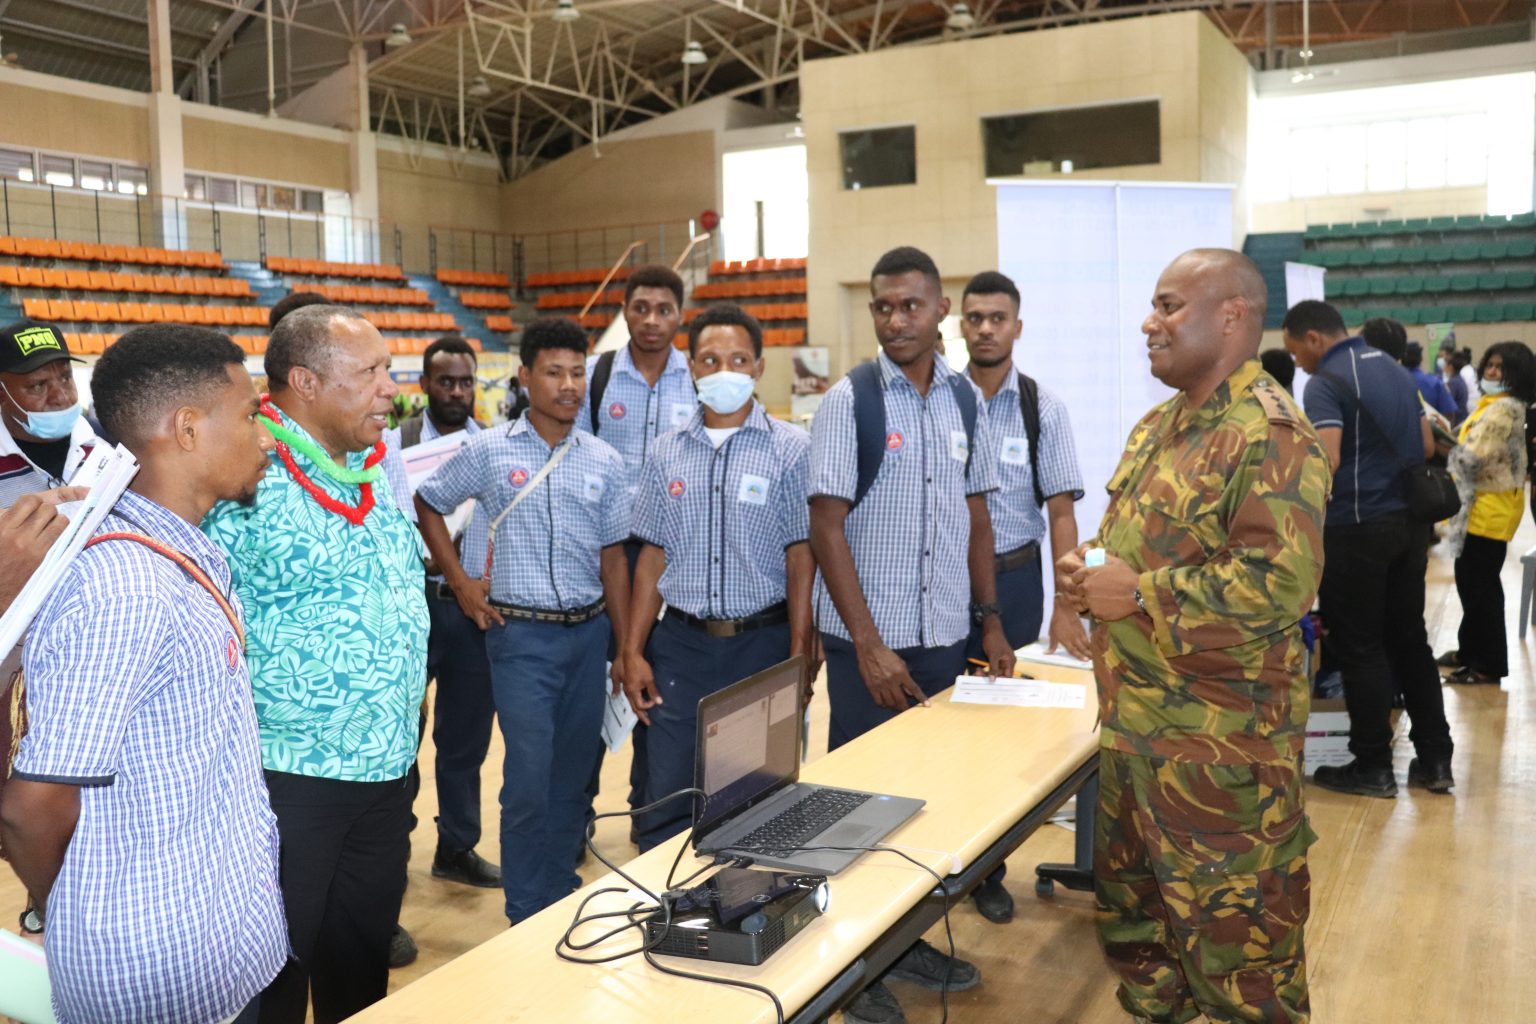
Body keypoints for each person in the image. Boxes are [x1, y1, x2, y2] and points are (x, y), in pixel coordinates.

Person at [1063, 249, 1330, 1024]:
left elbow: (1278, 586)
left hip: (1221, 764)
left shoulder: (1270, 434)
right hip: (1135, 739)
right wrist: (1091, 566)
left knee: (1245, 977)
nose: (1150, 323)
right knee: (1143, 952)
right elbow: (1141, 544)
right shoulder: (1161, 425)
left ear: (1232, 316)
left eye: (1169, 305)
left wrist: (1135, 594)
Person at [1, 325, 287, 1024]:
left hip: (218, 937)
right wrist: (78, 908)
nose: (267, 438)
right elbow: (31, 808)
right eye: (250, 415)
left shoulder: (173, 552)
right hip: (157, 967)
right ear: (187, 429)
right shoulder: (126, 584)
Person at [203, 305, 428, 1024]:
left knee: (358, 966)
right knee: (274, 974)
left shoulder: (368, 464)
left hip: (385, 768)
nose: (390, 388)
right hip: (291, 778)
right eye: (370, 373)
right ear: (304, 382)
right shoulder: (245, 470)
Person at [809, 246, 1012, 1024]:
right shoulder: (849, 402)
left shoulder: (964, 401)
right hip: (871, 649)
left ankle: (903, 940)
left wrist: (990, 621)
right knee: (856, 811)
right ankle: (851, 969)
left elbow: (977, 516)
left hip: (942, 641)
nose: (896, 320)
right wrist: (867, 645)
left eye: (911, 306)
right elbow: (826, 528)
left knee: (929, 808)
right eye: (884, 307)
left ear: (940, 311)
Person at [416, 317, 632, 925]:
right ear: (525, 377)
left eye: (577, 373)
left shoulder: (605, 460)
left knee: (572, 777)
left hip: (588, 636)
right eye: (554, 372)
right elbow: (428, 502)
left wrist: (625, 646)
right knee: (529, 778)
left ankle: (559, 892)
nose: (569, 385)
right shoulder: (489, 450)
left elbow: (614, 559)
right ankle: (525, 910)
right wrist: (460, 584)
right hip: (520, 639)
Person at [622, 303, 815, 852]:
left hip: (761, 645)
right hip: (680, 647)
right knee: (667, 794)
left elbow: (801, 558)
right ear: (691, 367)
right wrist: (633, 650)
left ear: (758, 367)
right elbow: (652, 556)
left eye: (738, 359)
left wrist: (798, 653)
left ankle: (750, 897)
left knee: (756, 795)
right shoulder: (666, 452)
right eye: (710, 359)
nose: (724, 370)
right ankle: (666, 897)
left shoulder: (791, 450)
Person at [956, 269, 1087, 925]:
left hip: (1014, 580)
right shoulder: (939, 400)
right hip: (940, 584)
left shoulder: (1042, 407)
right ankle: (937, 862)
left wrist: (1066, 602)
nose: (986, 329)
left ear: (1017, 326)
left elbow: (1061, 512)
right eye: (975, 318)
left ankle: (988, 873)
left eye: (997, 318)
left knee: (999, 732)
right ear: (961, 325)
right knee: (940, 724)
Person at [1282, 299, 1454, 798]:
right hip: (1409, 526)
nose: (1298, 363)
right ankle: (1436, 759)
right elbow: (1426, 446)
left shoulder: (1324, 382)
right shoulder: (1395, 370)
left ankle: (1373, 765)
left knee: (1360, 646)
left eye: (1295, 352)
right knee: (1409, 640)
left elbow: (1327, 460)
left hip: (1355, 528)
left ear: (1313, 338)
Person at [576, 264, 697, 831]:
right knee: (600, 685)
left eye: (663, 309)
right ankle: (577, 816)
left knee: (660, 683)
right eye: (641, 308)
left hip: (673, 555)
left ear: (680, 316)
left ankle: (649, 809)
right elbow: (572, 455)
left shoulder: (697, 378)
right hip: (608, 555)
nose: (651, 319)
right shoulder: (595, 376)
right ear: (624, 311)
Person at [1436, 341, 1536, 685]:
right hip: (1480, 508)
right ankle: (1469, 651)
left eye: (1501, 368)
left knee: (1481, 590)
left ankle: (1487, 665)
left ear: (1517, 374)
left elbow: (1472, 457)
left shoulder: (1503, 409)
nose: (1492, 372)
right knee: (1471, 584)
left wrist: (1437, 446)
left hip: (1489, 511)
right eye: (1490, 365)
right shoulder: (1491, 405)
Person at [0, 319, 99, 511]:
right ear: (2, 394)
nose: (61, 397)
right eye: (38, 385)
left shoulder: (107, 443)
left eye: (66, 378)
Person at [1397, 339, 1458, 420]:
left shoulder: (1394, 383)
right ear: (1421, 359)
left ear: (1401, 360)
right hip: (1431, 427)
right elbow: (1449, 413)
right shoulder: (1436, 383)